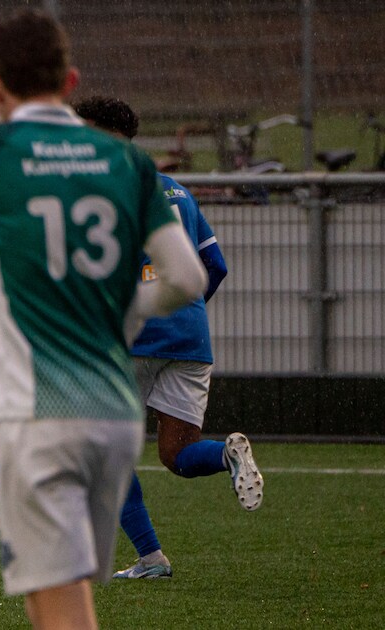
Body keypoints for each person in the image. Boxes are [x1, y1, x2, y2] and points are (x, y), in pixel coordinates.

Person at [0, 9, 207, 630]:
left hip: (34, 407)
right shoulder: (127, 161)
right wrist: (126, 310)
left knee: (57, 603)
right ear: (70, 82)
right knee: (62, 596)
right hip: (112, 410)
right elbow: (187, 279)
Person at [73, 96, 263, 580]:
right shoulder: (176, 190)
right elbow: (214, 266)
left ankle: (151, 557)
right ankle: (226, 454)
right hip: (189, 332)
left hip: (129, 332)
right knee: (177, 454)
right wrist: (185, 313)